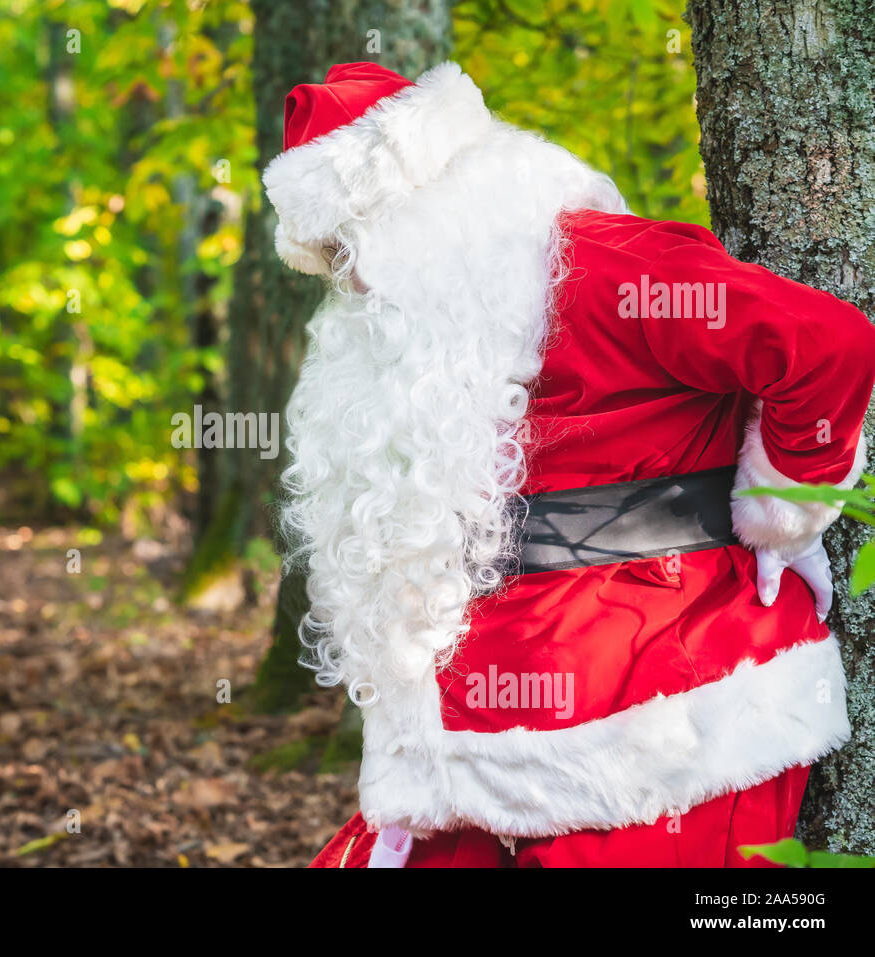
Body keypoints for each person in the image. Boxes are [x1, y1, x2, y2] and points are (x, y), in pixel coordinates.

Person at [264, 62, 875, 867]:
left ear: (434, 214)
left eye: (352, 247)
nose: (350, 280)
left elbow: (826, 343)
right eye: (331, 258)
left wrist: (785, 509)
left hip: (670, 713)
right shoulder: (441, 334)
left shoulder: (607, 266)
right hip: (471, 736)